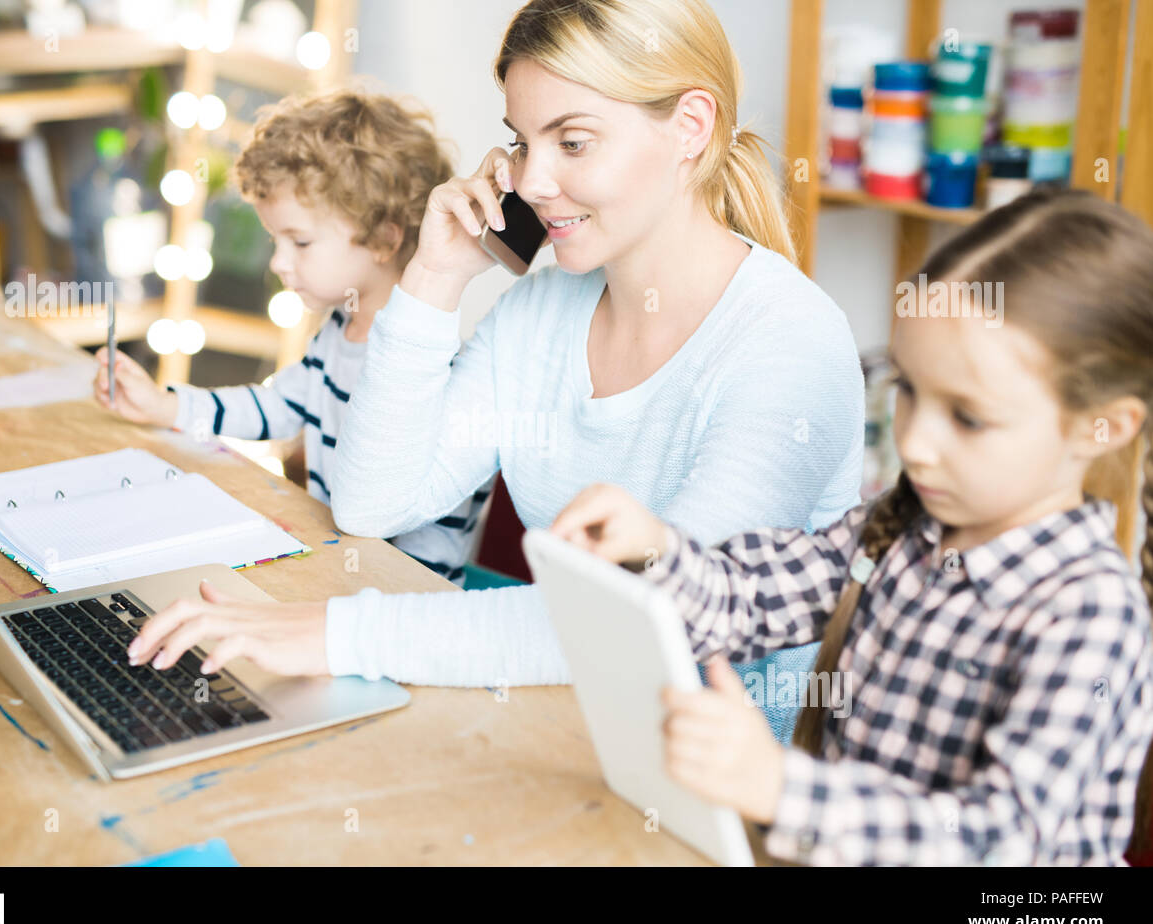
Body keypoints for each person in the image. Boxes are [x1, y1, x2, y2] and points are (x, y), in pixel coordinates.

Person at [128, 0, 864, 747]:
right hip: (558, 719)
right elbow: (373, 503)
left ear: (691, 127)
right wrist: (435, 276)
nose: (534, 181)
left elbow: (644, 625)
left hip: (708, 791)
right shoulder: (537, 315)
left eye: (572, 142)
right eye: (520, 142)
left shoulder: (789, 345)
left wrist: (335, 633)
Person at [553, 189, 1153, 865]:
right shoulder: (902, 527)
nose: (917, 444)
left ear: (1102, 427)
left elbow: (999, 841)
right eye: (909, 390)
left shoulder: (1090, 613)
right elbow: (748, 598)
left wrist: (782, 789)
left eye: (968, 417)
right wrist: (654, 548)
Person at [92, 89, 492, 586]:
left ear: (385, 239)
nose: (279, 262)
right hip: (336, 572)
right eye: (275, 241)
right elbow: (279, 406)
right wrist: (168, 408)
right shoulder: (337, 332)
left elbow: (424, 546)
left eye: (300, 242)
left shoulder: (431, 365)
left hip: (399, 599)